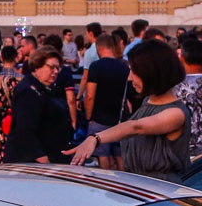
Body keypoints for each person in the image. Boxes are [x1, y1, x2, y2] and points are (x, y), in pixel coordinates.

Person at [68, 39, 190, 180]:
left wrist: (95, 138)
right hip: (141, 187)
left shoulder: (175, 113)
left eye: (134, 71)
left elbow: (136, 127)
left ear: (152, 72)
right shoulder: (148, 102)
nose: (130, 78)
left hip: (160, 191)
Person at [79, 33, 131, 168]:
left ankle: (108, 183)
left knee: (103, 154)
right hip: (120, 118)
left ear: (98, 48)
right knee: (120, 155)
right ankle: (124, 182)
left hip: (99, 118)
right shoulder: (124, 67)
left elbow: (90, 95)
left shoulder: (96, 67)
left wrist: (88, 116)